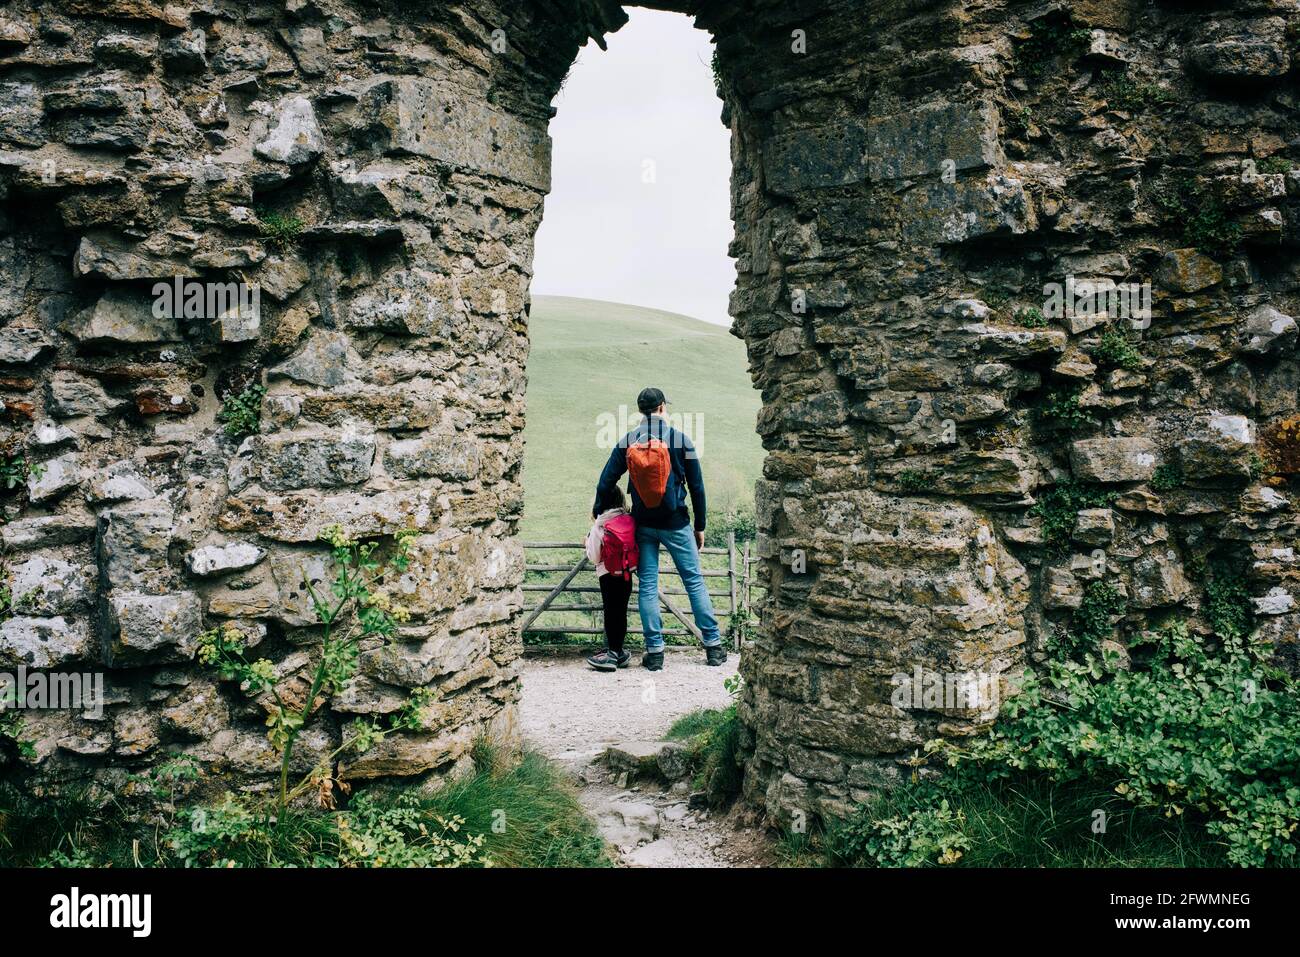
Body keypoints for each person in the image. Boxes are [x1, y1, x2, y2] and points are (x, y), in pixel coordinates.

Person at [592, 387, 725, 671]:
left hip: (644, 525)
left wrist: (597, 513)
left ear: (641, 410)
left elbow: (605, 482)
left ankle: (655, 653)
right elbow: (697, 488)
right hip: (677, 523)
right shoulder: (681, 440)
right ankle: (713, 647)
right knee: (693, 581)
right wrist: (699, 526)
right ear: (662, 407)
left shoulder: (628, 441)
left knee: (648, 586)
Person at [584, 487, 637, 671]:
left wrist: (587, 543)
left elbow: (595, 557)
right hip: (627, 573)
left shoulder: (599, 526)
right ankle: (619, 651)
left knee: (610, 611)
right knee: (621, 612)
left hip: (607, 574)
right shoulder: (629, 520)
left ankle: (612, 655)